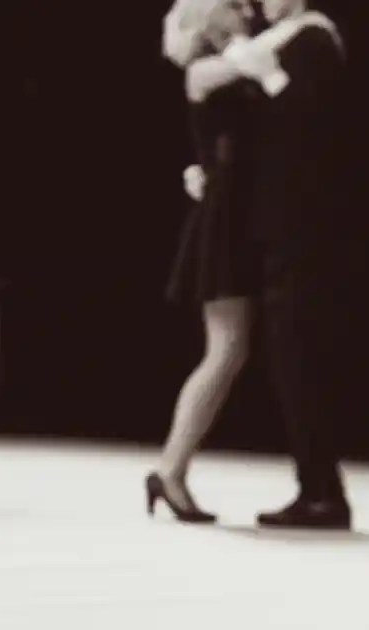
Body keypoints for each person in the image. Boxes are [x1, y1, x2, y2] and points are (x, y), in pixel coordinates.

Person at [185, 0, 353, 529]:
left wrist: (272, 78)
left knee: (298, 356)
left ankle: (322, 493)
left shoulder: (312, 41)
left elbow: (317, 129)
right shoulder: (282, 43)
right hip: (283, 229)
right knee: (291, 358)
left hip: (305, 228)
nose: (260, 4)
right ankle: (317, 487)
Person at [145, 0, 263, 523]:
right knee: (226, 349)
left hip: (227, 216)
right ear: (213, 19)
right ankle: (170, 470)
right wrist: (303, 29)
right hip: (220, 223)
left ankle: (172, 469)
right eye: (237, 5)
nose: (248, 11)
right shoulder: (204, 71)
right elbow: (250, 61)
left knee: (229, 350)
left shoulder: (228, 67)